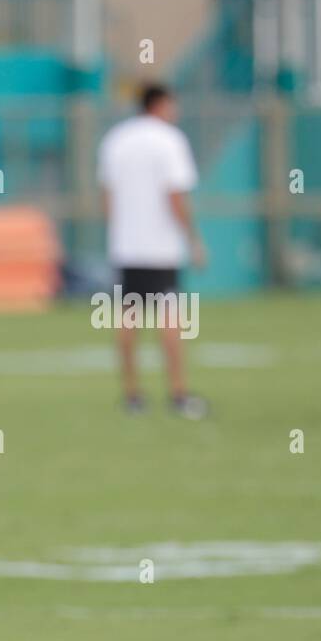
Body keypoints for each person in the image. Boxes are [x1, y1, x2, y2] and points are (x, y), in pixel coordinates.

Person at [98, 82, 209, 418]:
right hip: (161, 247)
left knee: (128, 319)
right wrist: (193, 238)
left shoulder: (115, 140)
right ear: (160, 105)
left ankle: (132, 395)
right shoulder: (170, 140)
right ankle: (179, 393)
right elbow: (175, 195)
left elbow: (107, 196)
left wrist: (118, 232)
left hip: (126, 246)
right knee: (170, 319)